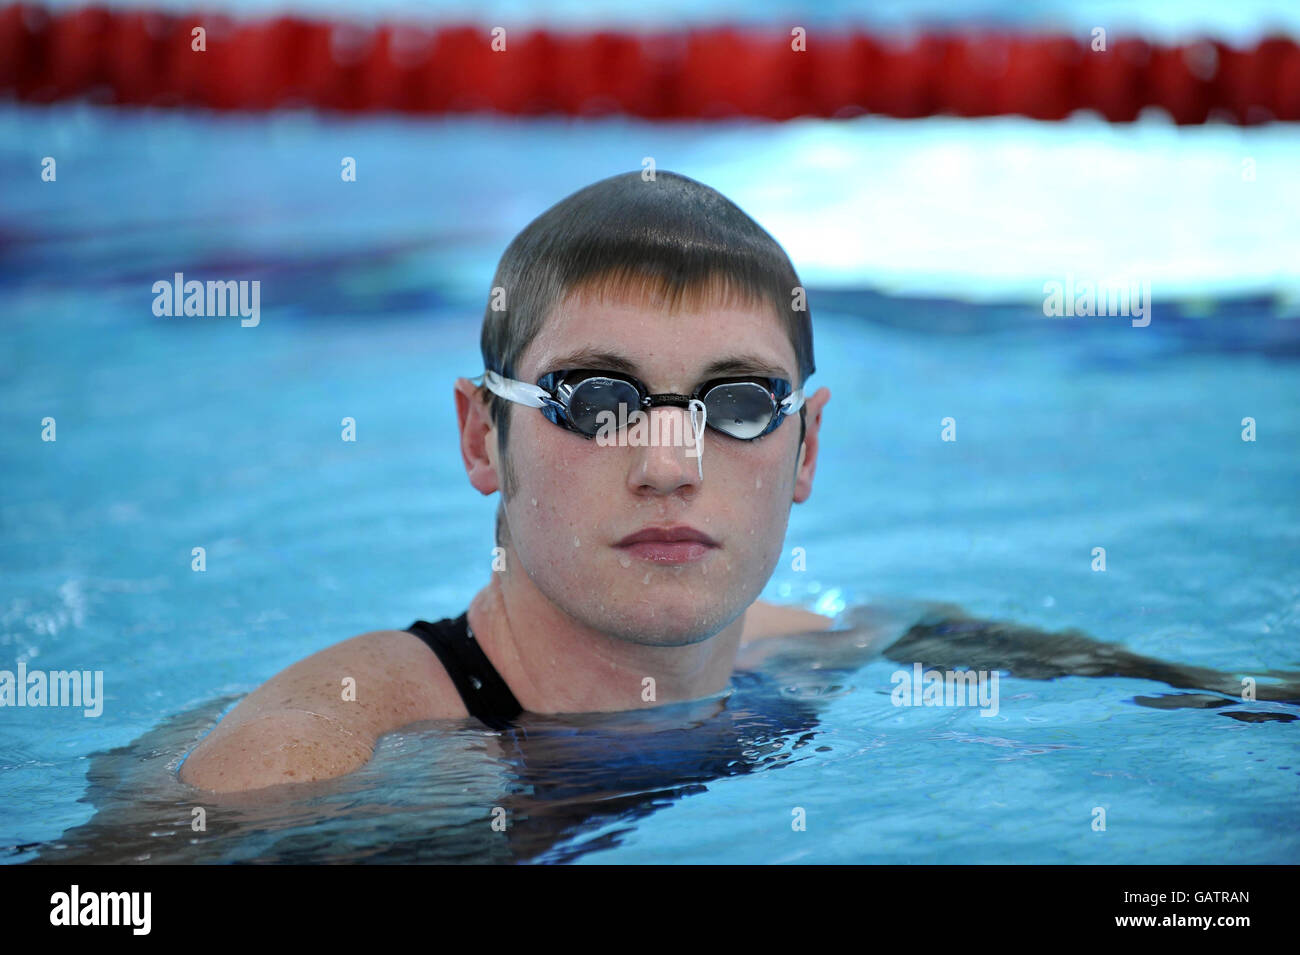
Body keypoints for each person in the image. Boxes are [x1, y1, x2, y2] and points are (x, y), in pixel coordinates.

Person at [179, 170, 838, 793]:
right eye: (594, 400)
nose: (669, 468)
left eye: (739, 404)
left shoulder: (808, 658)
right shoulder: (300, 769)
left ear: (805, 450)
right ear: (481, 439)